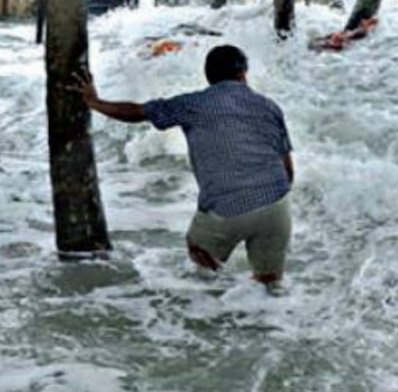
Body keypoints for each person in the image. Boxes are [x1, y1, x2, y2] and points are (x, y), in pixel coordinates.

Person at [70, 46, 295, 293]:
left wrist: (94, 102)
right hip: (277, 205)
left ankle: (211, 305)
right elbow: (287, 169)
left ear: (209, 78)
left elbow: (138, 112)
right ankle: (270, 318)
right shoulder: (269, 106)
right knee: (270, 285)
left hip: (227, 209)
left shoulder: (193, 104)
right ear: (244, 74)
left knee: (201, 258)